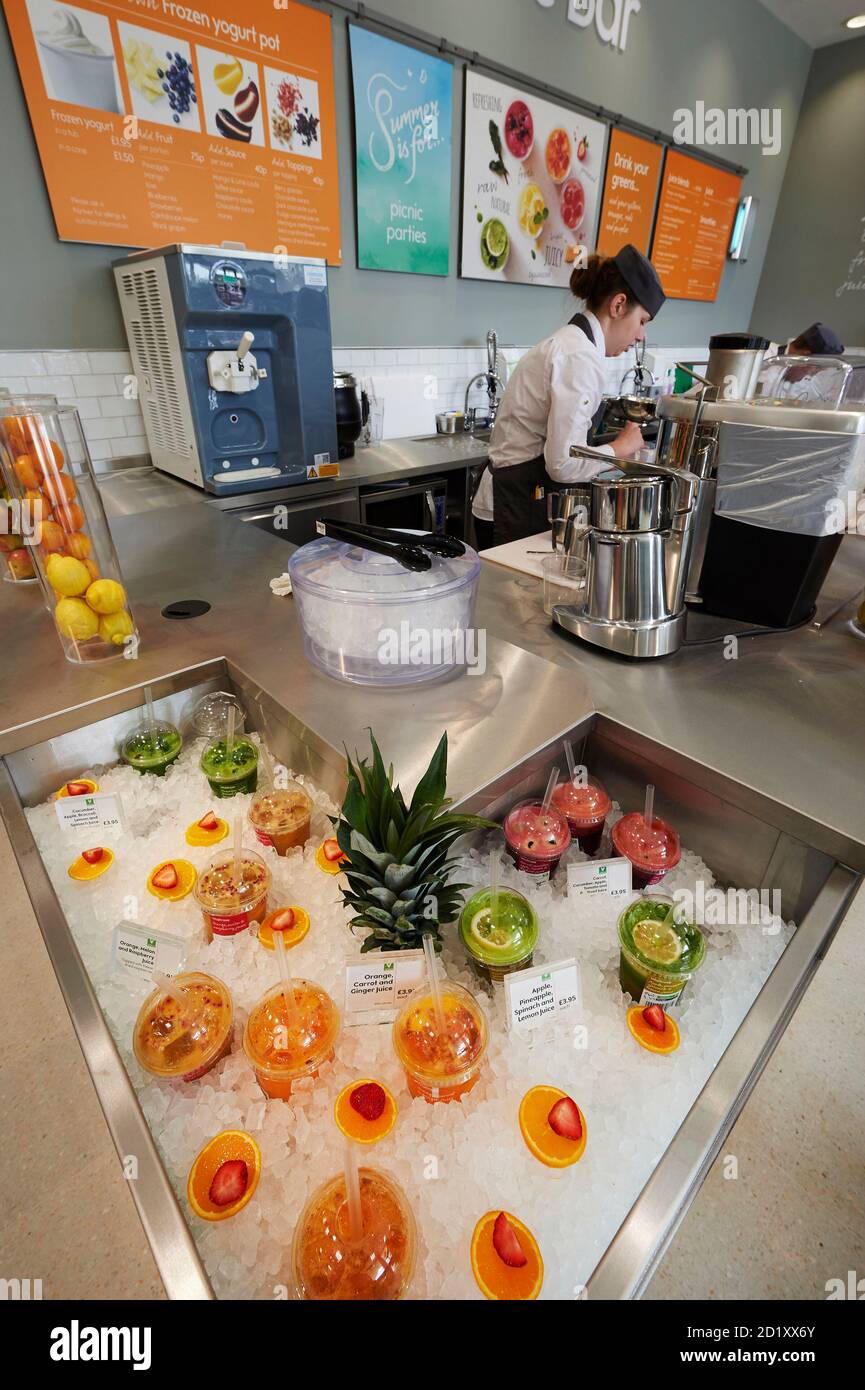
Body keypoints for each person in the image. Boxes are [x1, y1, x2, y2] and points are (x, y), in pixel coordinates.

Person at [472, 244, 666, 549]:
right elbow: (562, 463)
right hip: (515, 505)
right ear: (618, 305)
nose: (641, 336)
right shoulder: (580, 356)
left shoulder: (574, 344)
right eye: (642, 321)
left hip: (515, 498)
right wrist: (620, 448)